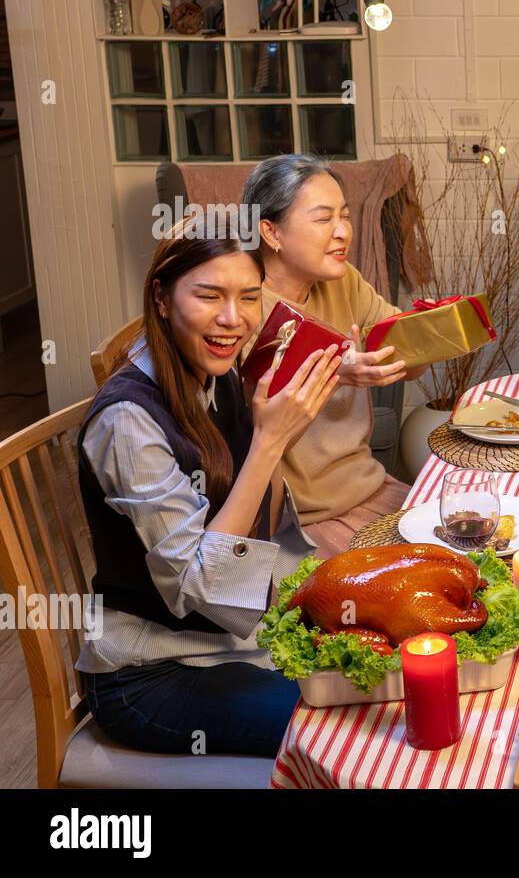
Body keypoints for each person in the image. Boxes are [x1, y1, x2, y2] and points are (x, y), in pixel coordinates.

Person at [77, 219, 341, 757]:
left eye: (248, 297)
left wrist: (277, 434)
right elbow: (202, 585)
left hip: (227, 640)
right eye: (208, 295)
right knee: (340, 732)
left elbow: (256, 537)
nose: (232, 319)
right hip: (148, 675)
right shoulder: (127, 420)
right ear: (162, 297)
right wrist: (269, 443)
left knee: (377, 676)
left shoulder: (215, 374)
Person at [241, 154, 429, 558]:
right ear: (271, 232)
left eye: (344, 215)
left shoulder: (343, 282)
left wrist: (435, 330)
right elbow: (251, 424)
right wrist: (333, 369)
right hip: (303, 523)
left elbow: (410, 356)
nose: (344, 231)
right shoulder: (240, 310)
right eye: (324, 219)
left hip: (372, 488)